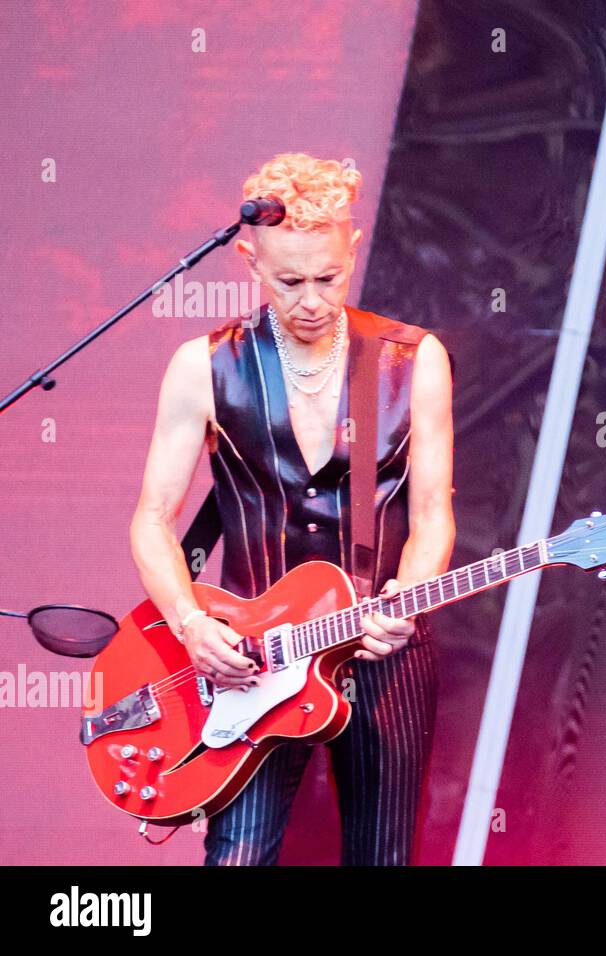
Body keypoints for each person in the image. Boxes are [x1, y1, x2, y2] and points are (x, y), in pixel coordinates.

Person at [128, 153, 455, 865]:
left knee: (384, 857)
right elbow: (152, 519)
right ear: (249, 259)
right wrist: (189, 625)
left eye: (330, 277)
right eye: (290, 280)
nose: (312, 298)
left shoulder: (414, 358)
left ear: (353, 247)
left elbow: (433, 514)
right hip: (251, 656)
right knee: (236, 857)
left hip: (379, 652)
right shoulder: (202, 366)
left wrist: (409, 600)